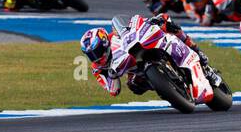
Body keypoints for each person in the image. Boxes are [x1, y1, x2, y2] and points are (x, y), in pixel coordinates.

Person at [80, 20, 212, 101]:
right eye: (90, 55)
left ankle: (196, 50)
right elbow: (114, 90)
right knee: (134, 86)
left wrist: (148, 22)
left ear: (104, 43)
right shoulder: (97, 68)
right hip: (136, 69)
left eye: (96, 51)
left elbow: (131, 25)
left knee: (164, 21)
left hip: (140, 47)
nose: (95, 57)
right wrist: (111, 74)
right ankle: (167, 88)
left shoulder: (114, 35)